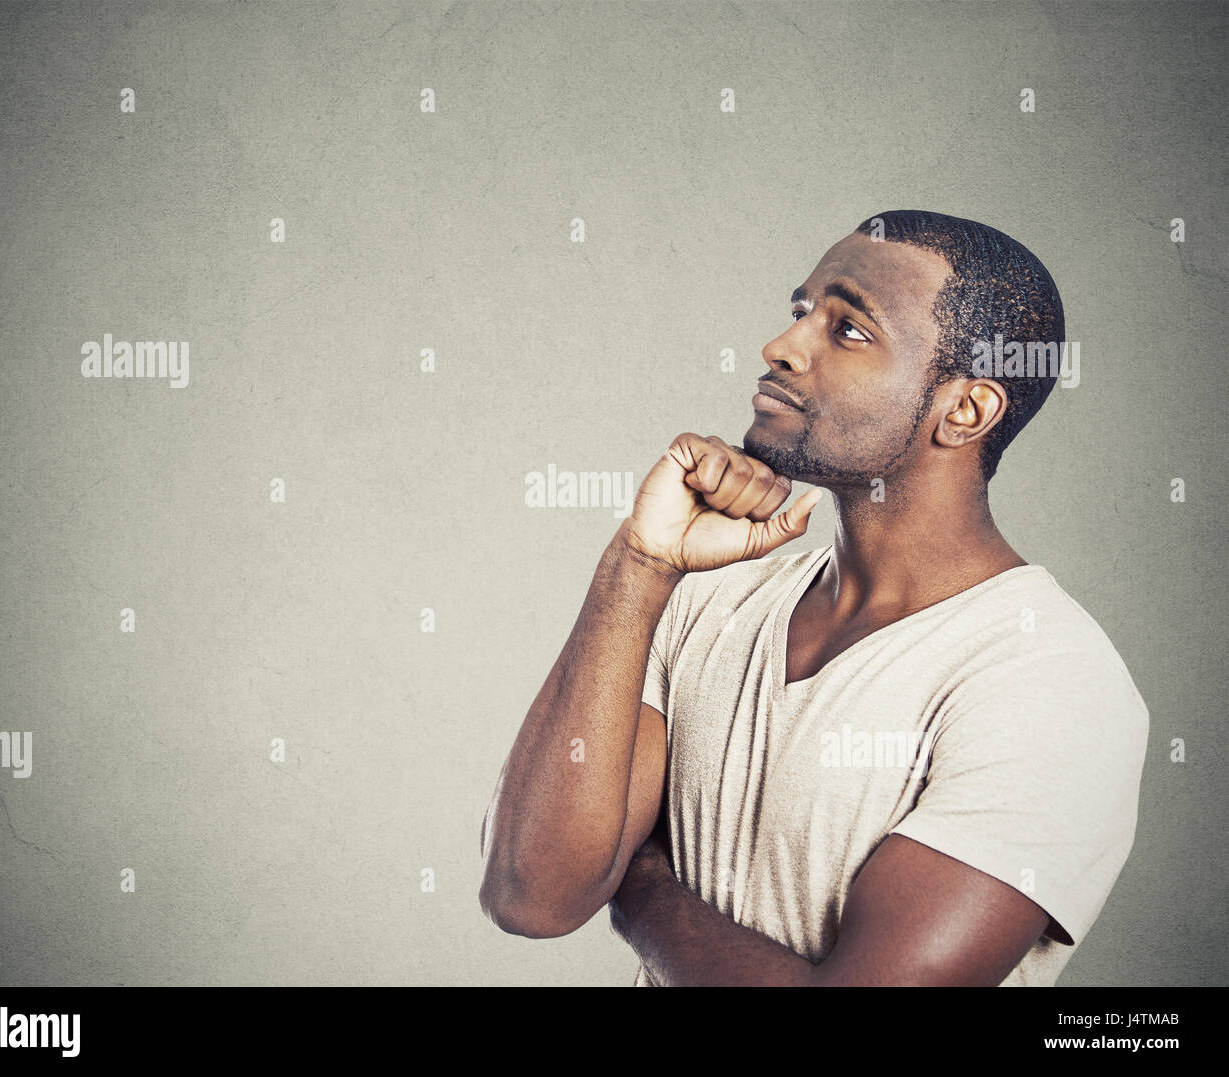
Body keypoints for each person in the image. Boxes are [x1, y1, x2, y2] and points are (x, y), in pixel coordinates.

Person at [478, 210, 1149, 986]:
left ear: (965, 411)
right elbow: (532, 895)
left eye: (850, 329)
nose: (781, 347)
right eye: (802, 312)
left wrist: (639, 886)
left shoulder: (1051, 682)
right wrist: (638, 565)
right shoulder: (706, 599)